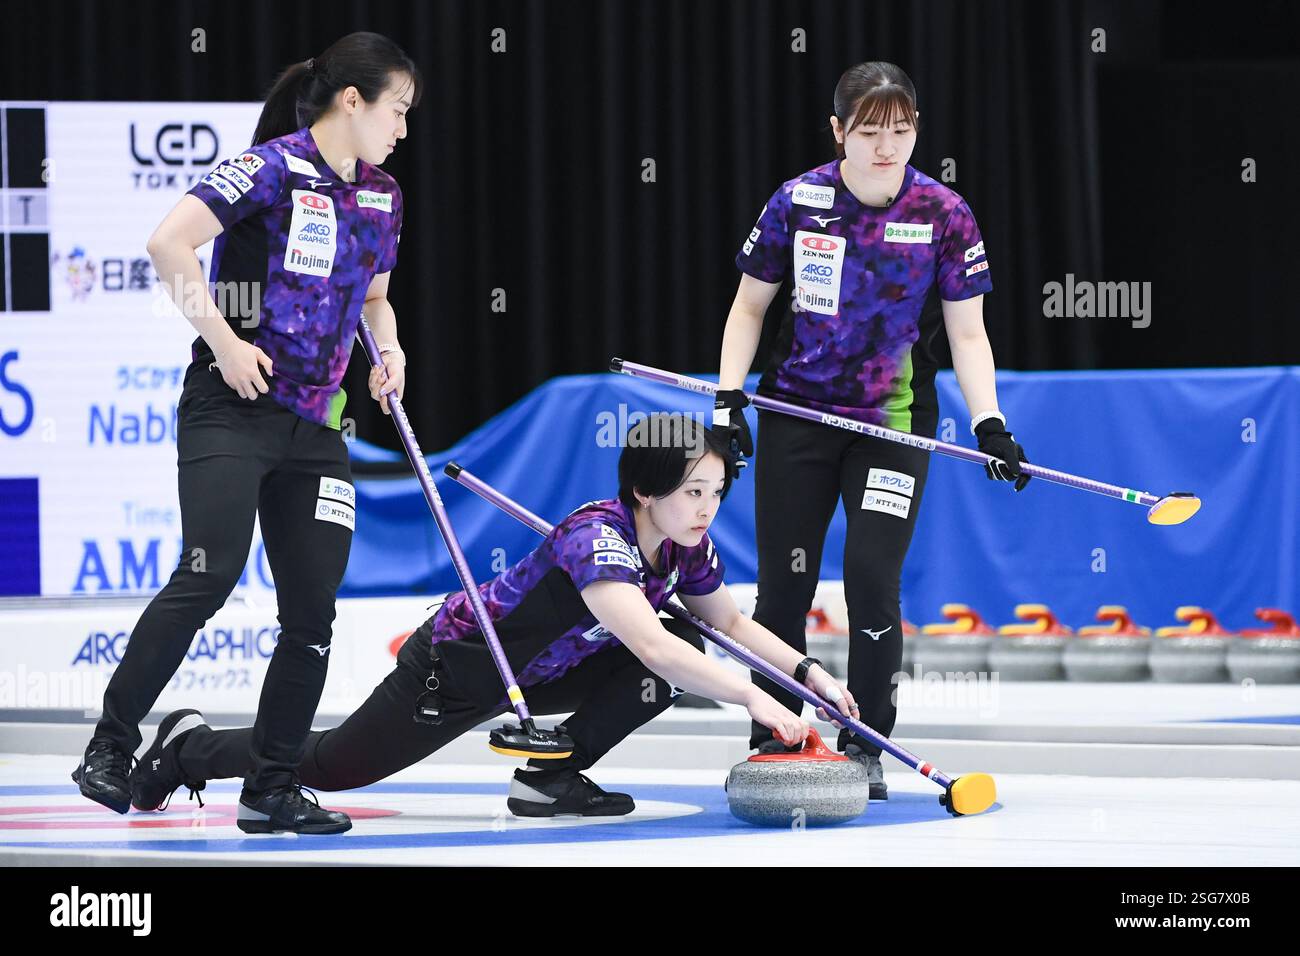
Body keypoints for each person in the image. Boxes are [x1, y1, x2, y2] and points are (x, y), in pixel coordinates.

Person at [127, 416, 858, 822]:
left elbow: (728, 621)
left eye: (716, 493)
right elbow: (651, 643)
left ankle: (551, 778)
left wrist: (808, 671)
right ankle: (191, 747)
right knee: (331, 767)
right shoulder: (596, 537)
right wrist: (759, 699)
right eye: (693, 492)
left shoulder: (680, 549)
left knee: (662, 666)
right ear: (644, 488)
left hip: (545, 677)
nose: (708, 509)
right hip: (461, 669)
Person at [73, 32, 420, 835]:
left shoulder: (383, 196)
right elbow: (169, 243)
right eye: (397, 111)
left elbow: (375, 299)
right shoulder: (267, 167)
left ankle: (270, 788)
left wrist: (391, 353)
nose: (403, 130)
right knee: (210, 572)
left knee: (312, 614)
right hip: (231, 409)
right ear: (353, 101)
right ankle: (109, 746)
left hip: (317, 430)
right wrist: (227, 346)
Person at [712, 61, 1031, 799]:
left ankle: (866, 744)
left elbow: (969, 336)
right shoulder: (799, 201)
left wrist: (989, 422)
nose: (888, 146)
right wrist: (728, 403)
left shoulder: (945, 213)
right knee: (785, 587)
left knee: (872, 580)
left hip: (893, 427)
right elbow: (749, 309)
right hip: (798, 417)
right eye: (870, 131)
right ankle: (775, 734)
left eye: (902, 129)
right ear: (839, 132)